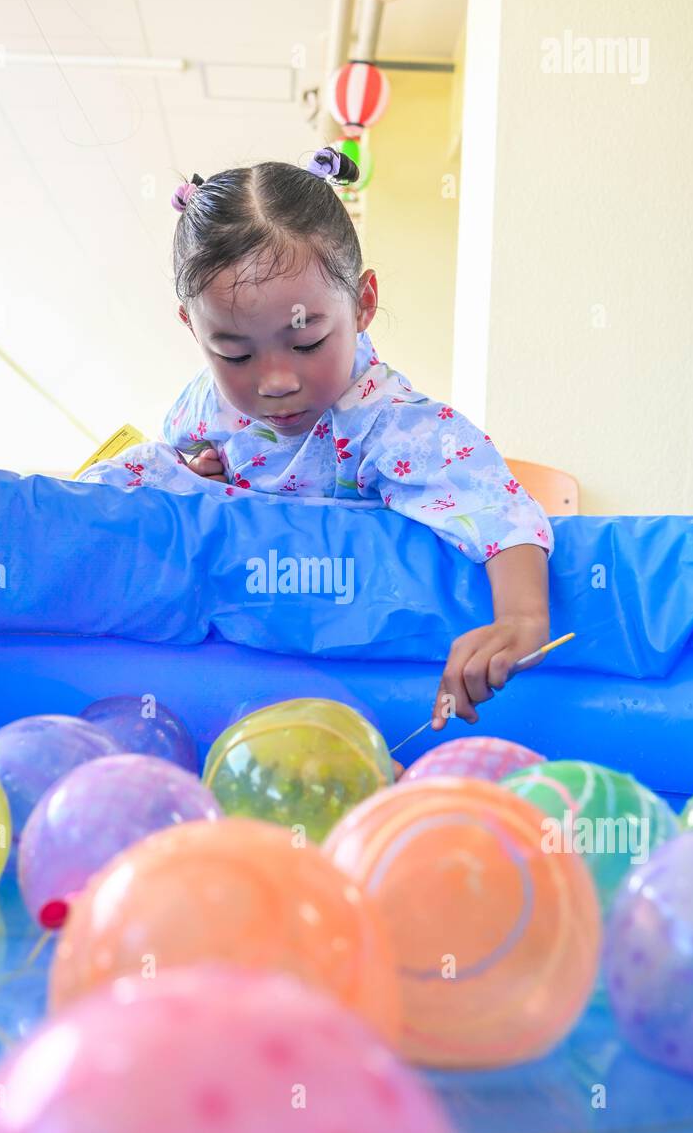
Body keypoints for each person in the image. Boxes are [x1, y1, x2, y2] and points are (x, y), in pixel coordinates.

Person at [79, 147, 553, 730]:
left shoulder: (390, 424)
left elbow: (498, 507)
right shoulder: (206, 403)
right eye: (235, 352)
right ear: (192, 327)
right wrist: (195, 477)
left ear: (363, 304)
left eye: (306, 344)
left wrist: (521, 616)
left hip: (348, 664)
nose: (275, 381)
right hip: (238, 658)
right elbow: (168, 459)